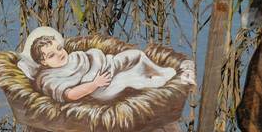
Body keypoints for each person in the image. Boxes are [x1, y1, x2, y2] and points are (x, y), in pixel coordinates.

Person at [17, 27, 193, 104]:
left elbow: (88, 59)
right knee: (126, 79)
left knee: (135, 55)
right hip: (98, 88)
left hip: (106, 66)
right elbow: (70, 94)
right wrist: (94, 84)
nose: (60, 54)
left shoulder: (71, 56)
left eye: (59, 48)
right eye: (52, 55)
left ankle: (162, 72)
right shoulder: (49, 78)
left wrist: (103, 60)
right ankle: (160, 82)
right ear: (43, 62)